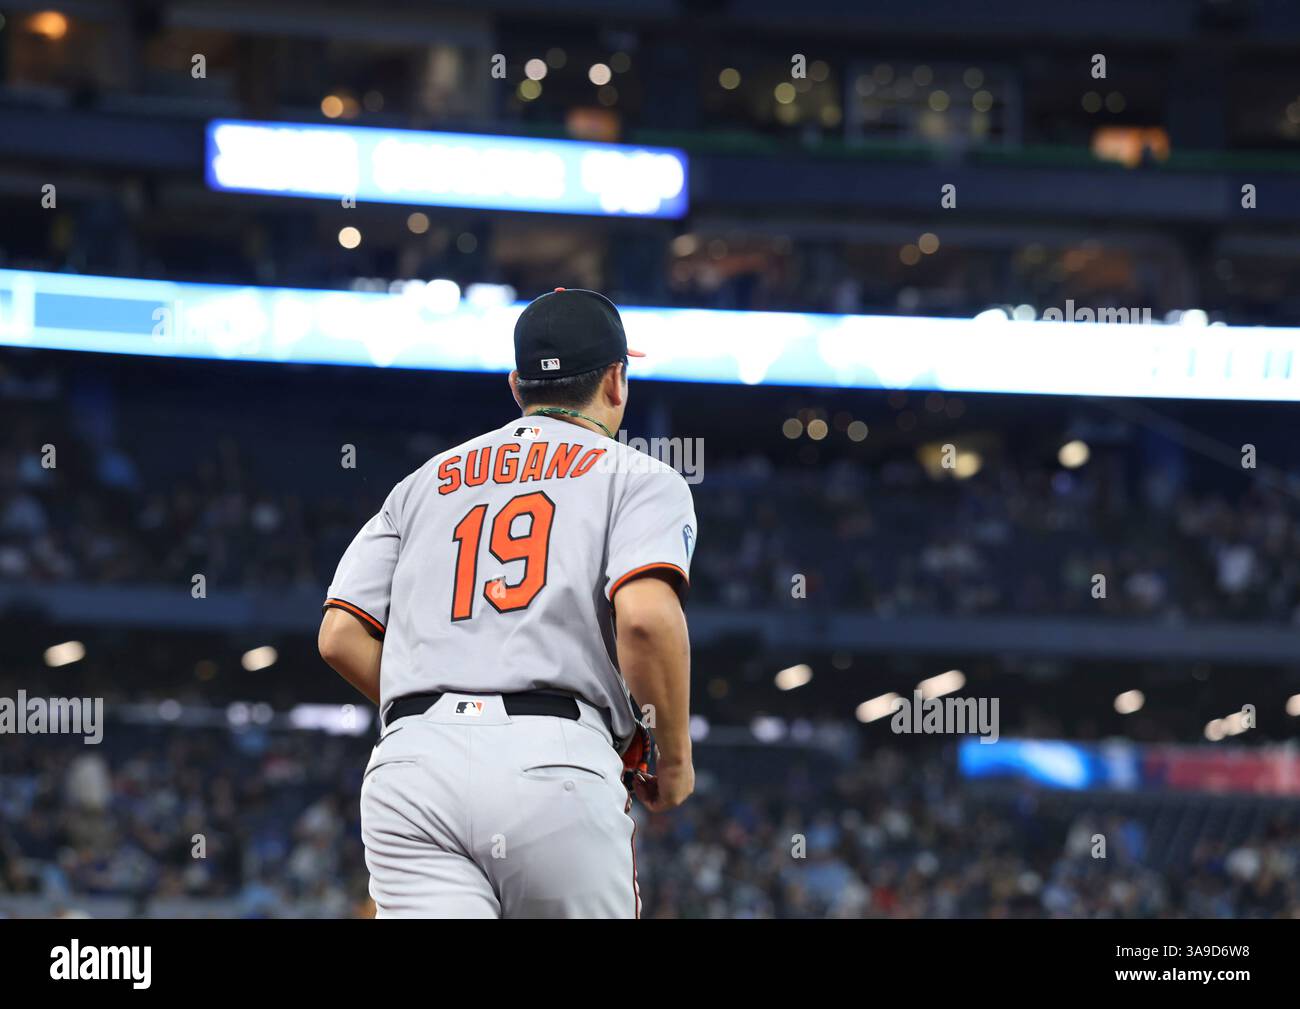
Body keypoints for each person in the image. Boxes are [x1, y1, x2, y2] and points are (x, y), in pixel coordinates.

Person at [318, 288, 697, 918]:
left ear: (516, 386)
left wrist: (442, 705)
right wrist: (675, 760)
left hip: (412, 766)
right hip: (554, 758)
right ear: (616, 380)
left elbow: (338, 635)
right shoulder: (639, 476)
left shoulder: (422, 482)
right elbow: (646, 619)